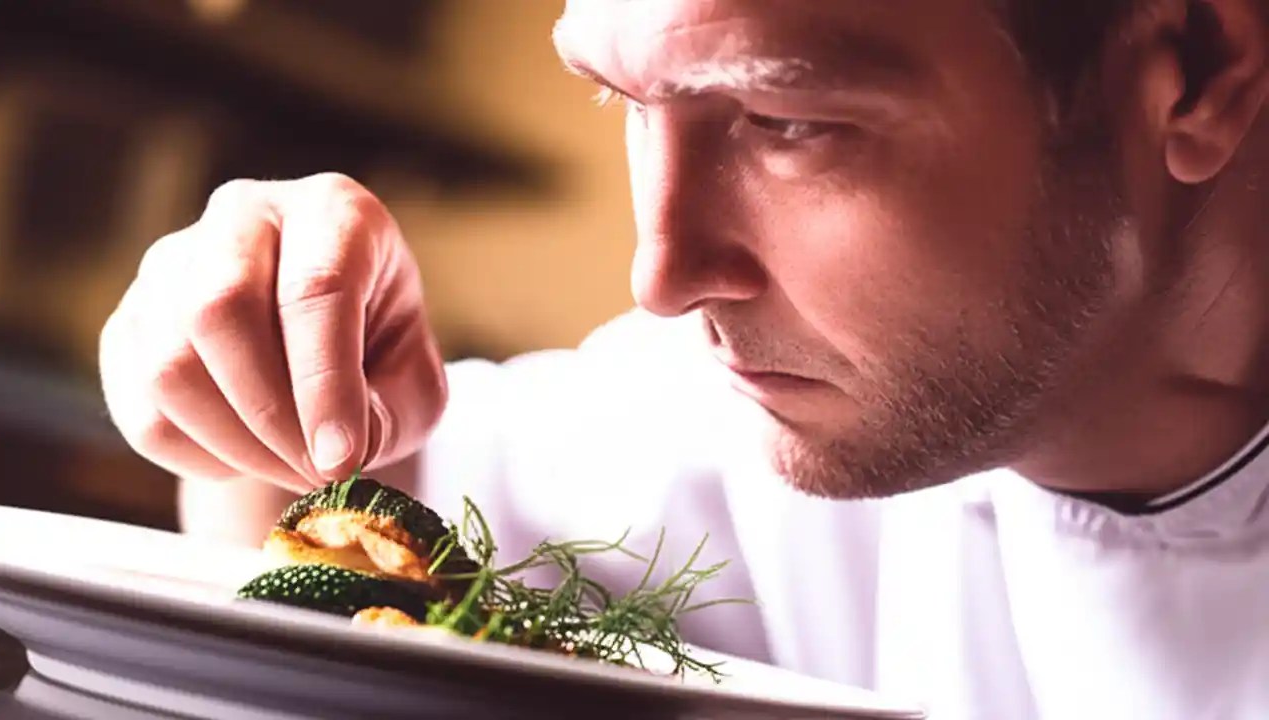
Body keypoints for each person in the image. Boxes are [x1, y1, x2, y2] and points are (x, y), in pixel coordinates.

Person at [97, 0, 1269, 717]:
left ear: (1197, 72)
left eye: (785, 123)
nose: (660, 274)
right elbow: (301, 536)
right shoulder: (741, 414)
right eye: (623, 98)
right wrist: (256, 338)